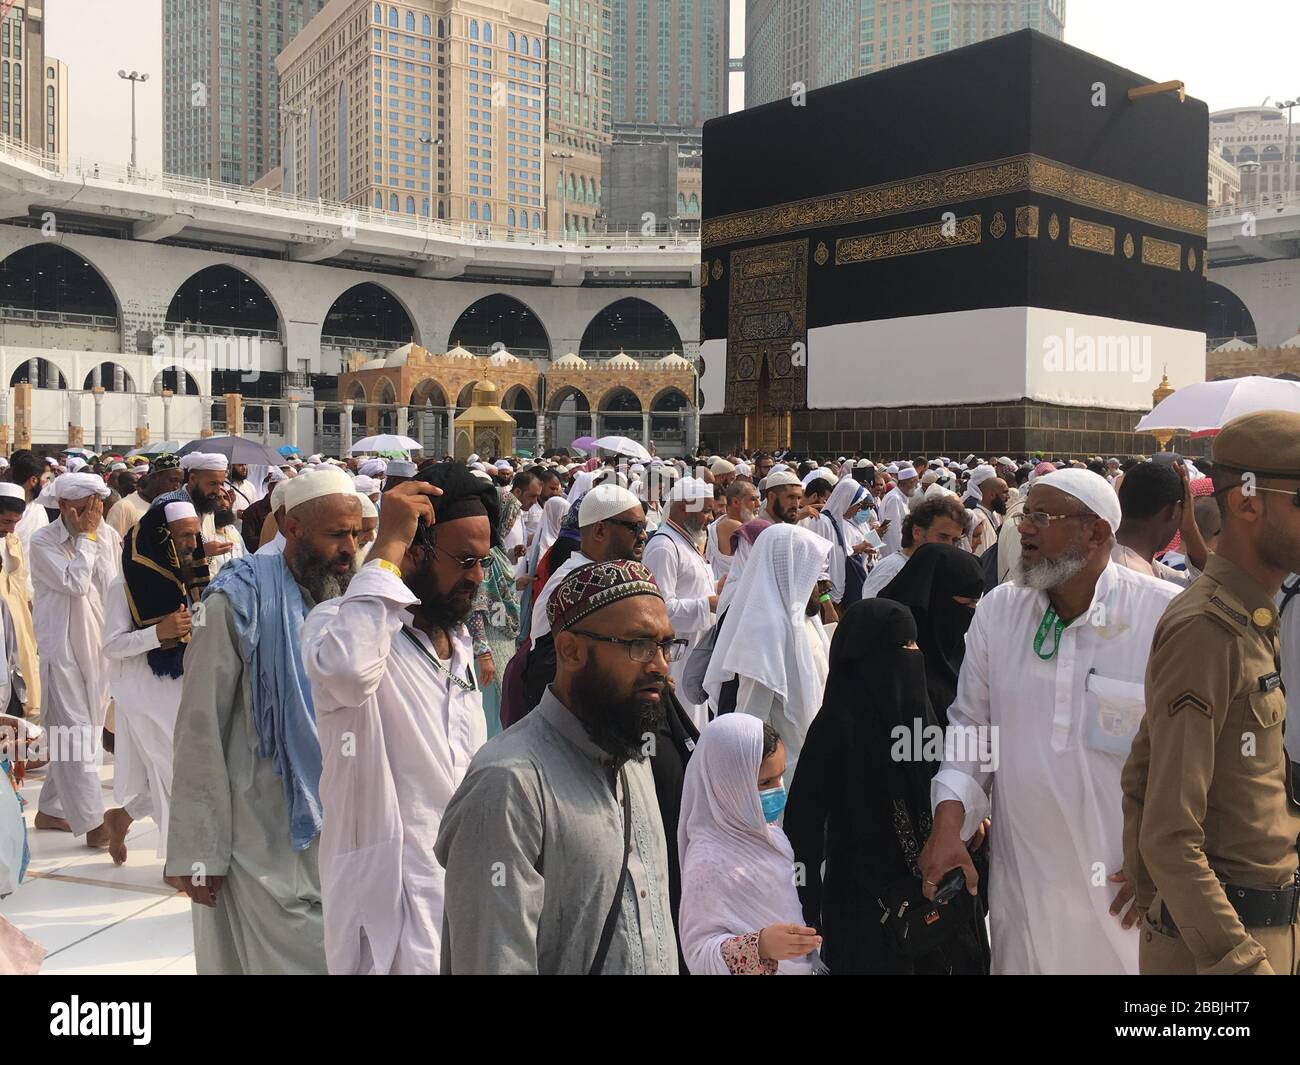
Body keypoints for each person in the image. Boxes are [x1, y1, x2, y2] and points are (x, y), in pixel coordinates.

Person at [918, 468, 1178, 974]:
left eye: (1043, 516)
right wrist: (948, 826)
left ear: (1097, 532)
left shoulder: (1163, 616)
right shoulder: (999, 611)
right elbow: (972, 728)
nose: (1025, 529)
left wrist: (1169, 858)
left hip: (1127, 881)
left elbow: (1198, 756)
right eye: (1024, 515)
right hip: (1026, 879)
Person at [436, 560, 682, 974]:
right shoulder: (510, 784)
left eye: (665, 646)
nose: (659, 665)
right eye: (639, 645)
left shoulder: (632, 756)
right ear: (570, 650)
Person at [165, 466, 363, 974]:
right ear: (291, 528)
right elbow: (199, 723)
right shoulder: (235, 598)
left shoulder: (346, 596)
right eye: (337, 534)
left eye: (357, 533)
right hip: (259, 831)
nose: (349, 547)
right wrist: (199, 849)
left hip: (341, 822)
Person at [1123, 411, 1300, 975]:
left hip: (1251, 930)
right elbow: (1169, 833)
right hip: (1226, 951)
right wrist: (1240, 963)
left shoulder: (1252, 617)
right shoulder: (1209, 628)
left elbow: (1142, 778)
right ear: (1247, 503)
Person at [303, 465, 494, 975]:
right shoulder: (337, 626)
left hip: (463, 886)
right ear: (415, 551)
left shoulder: (460, 642)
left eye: (484, 561)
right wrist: (385, 544)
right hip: (389, 893)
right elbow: (348, 673)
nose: (477, 576)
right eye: (465, 560)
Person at [785, 599, 988, 974]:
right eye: (901, 646)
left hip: (936, 898)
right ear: (865, 655)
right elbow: (804, 827)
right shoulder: (836, 728)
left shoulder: (922, 716)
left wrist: (967, 816)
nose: (913, 656)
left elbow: (948, 781)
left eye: (915, 645)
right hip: (866, 908)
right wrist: (805, 916)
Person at [99, 500, 202, 865]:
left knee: (165, 771)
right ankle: (181, 862)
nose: (193, 542)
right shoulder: (123, 584)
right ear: (162, 538)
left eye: (195, 534)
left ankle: (120, 818)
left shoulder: (191, 577)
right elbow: (112, 645)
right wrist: (156, 634)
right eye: (184, 535)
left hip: (180, 687)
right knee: (175, 772)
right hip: (142, 690)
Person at [678, 714, 820, 974]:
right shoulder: (708, 861)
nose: (779, 790)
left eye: (780, 778)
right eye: (765, 783)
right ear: (728, 784)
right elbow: (698, 953)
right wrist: (761, 946)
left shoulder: (770, 835)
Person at [29, 472, 122, 848]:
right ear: (64, 507)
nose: (91, 518)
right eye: (83, 511)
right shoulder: (42, 541)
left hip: (99, 649)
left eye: (95, 510)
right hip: (62, 652)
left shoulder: (108, 536)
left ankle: (51, 807)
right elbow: (75, 584)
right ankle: (93, 823)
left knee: (82, 734)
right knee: (77, 736)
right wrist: (86, 538)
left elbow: (111, 586)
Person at [703, 523, 831, 785]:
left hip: (810, 755)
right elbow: (750, 719)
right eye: (810, 566)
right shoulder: (763, 630)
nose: (817, 577)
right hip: (780, 773)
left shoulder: (802, 616)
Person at [879, 543, 986, 725]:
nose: (971, 613)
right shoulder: (891, 661)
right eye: (967, 604)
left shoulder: (956, 651)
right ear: (935, 597)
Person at [642, 477, 718, 730]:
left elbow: (693, 589)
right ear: (686, 507)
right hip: (677, 657)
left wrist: (717, 591)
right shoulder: (664, 546)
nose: (711, 517)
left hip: (695, 647)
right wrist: (708, 604)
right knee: (681, 725)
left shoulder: (686, 541)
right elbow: (657, 610)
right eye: (706, 510)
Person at [466, 486, 522, 736]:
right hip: (490, 639)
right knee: (493, 704)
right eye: (511, 515)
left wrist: (511, 554)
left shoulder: (494, 549)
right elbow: (477, 605)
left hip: (503, 634)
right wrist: (483, 653)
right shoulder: (484, 555)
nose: (512, 522)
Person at [1112, 460, 1207, 585]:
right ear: (1173, 510)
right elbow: (1211, 589)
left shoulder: (1096, 556)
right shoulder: (1146, 583)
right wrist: (1191, 529)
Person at [861, 495, 967, 599]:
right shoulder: (892, 570)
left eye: (955, 540)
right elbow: (870, 612)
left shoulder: (937, 569)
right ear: (917, 532)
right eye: (943, 536)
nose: (949, 545)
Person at [154, 452, 237, 575]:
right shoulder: (167, 505)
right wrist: (201, 551)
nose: (217, 490)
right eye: (212, 483)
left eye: (221, 484)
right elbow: (156, 552)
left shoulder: (207, 504)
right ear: (192, 479)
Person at [107, 454, 184, 537]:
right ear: (154, 477)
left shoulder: (173, 507)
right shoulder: (123, 507)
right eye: (173, 480)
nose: (177, 487)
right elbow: (112, 544)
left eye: (180, 482)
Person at [710, 479, 759, 587]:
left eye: (758, 499)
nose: (758, 504)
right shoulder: (733, 526)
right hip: (731, 591)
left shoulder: (723, 521)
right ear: (736, 502)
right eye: (752, 499)